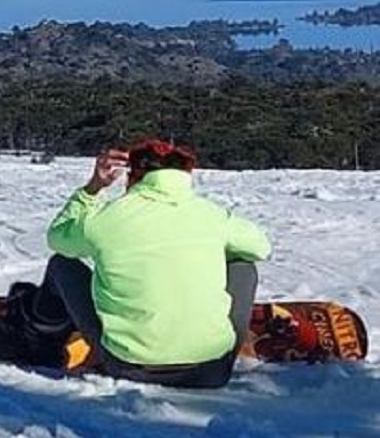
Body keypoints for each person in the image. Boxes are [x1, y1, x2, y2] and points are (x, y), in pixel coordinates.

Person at [32, 138, 272, 388]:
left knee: (63, 265)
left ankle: (42, 329)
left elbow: (57, 237)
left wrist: (93, 188)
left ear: (132, 176)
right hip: (211, 372)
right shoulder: (212, 215)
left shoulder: (107, 218)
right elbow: (261, 248)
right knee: (243, 265)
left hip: (127, 367)